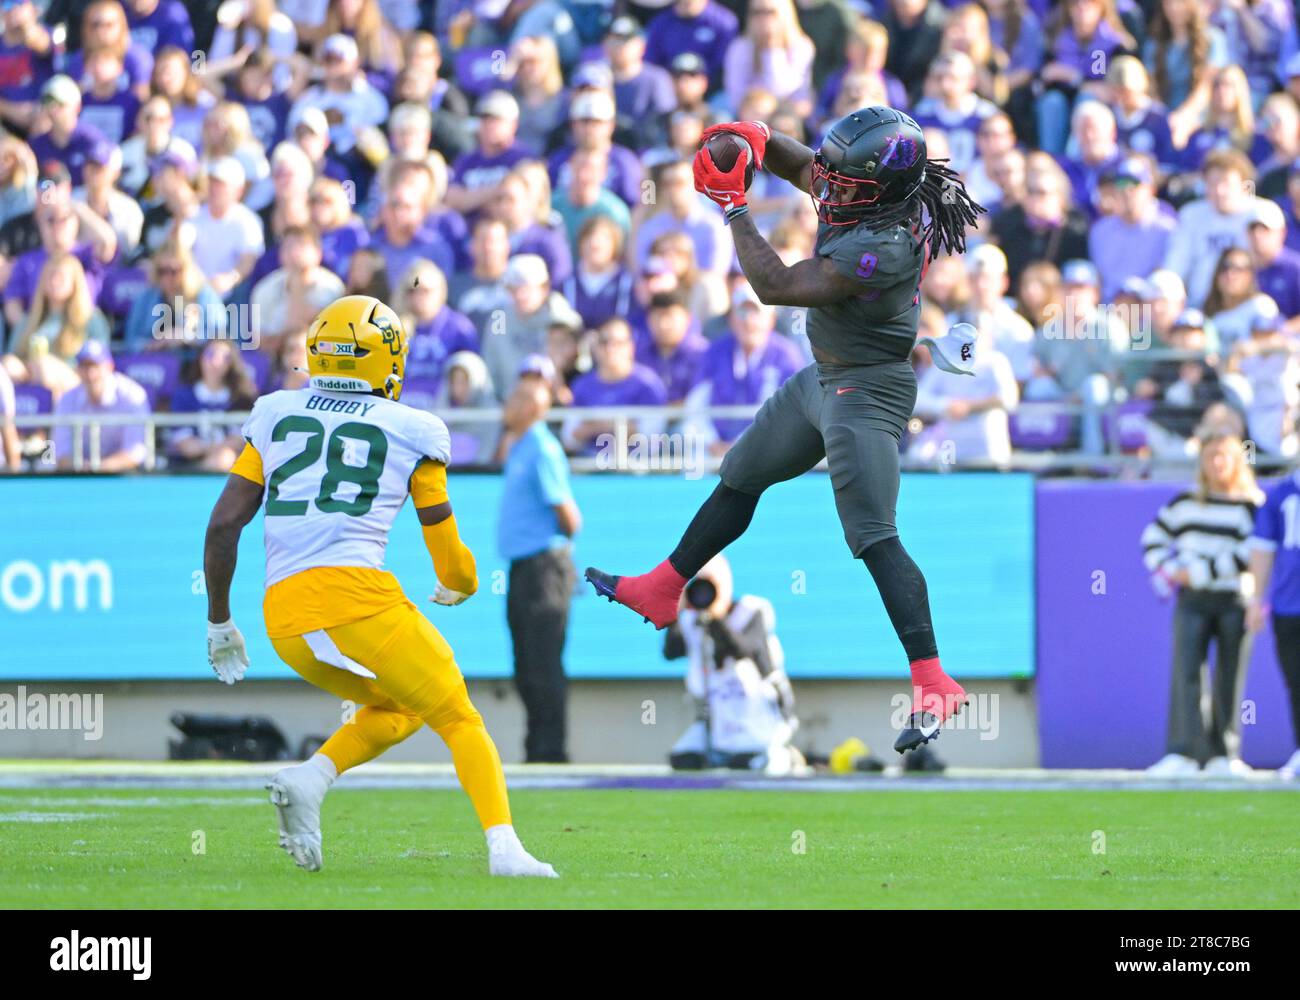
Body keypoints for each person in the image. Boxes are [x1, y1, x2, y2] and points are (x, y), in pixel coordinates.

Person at [586, 106, 985, 753]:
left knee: (874, 536)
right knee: (741, 474)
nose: (831, 185)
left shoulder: (883, 243)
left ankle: (933, 680)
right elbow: (806, 167)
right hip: (827, 376)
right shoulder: (866, 191)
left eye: (847, 181)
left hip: (867, 390)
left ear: (880, 190)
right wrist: (757, 138)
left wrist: (733, 206)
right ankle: (663, 588)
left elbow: (774, 286)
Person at [201, 294, 556, 878]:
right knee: (458, 716)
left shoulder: (275, 412)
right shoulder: (413, 428)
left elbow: (222, 525)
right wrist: (462, 582)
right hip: (356, 603)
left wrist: (219, 621)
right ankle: (505, 851)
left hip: (284, 620)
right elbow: (448, 556)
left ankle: (310, 779)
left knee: (402, 706)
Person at [1141, 430, 1262, 777]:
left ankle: (1225, 754)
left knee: (1229, 676)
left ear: (1237, 461)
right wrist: (1169, 571)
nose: (1217, 463)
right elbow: (1152, 539)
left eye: (1224, 456)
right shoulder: (1184, 503)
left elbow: (1249, 554)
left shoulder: (1251, 505)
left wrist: (1196, 572)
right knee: (1187, 673)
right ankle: (1184, 753)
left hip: (1233, 600)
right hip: (1192, 602)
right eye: (1210, 456)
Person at [497, 375, 582, 763]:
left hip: (544, 568)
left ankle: (551, 750)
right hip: (522, 568)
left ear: (532, 407)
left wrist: (556, 556)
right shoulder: (519, 446)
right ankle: (536, 747)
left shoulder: (543, 449)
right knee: (525, 662)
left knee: (544, 660)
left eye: (515, 398)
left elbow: (569, 517)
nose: (507, 405)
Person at [663, 554, 804, 774]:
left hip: (759, 711)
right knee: (684, 760)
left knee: (757, 763)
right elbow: (671, 652)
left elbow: (742, 649)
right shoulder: (693, 620)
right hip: (719, 716)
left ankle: (785, 755)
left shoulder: (752, 611)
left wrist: (716, 617)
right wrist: (676, 610)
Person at [1248, 457, 1300, 779]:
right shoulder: (1280, 495)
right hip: (1289, 606)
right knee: (1296, 680)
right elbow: (1263, 548)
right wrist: (1256, 598)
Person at [53, 340, 152, 472]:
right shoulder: (68, 399)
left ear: (109, 367)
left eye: (95, 366)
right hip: (80, 476)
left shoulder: (132, 395)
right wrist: (87, 471)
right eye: (84, 366)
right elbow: (61, 452)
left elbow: (135, 452)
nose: (90, 374)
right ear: (78, 370)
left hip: (124, 477)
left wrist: (97, 470)